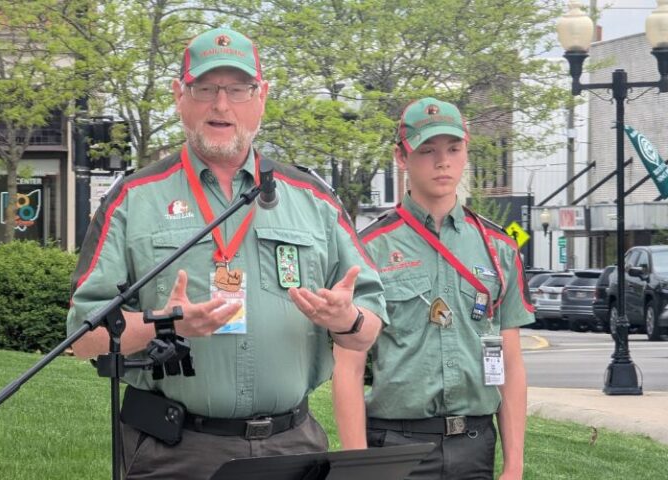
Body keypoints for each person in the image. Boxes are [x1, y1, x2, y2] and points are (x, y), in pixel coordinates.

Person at [67, 26, 386, 480]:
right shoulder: (132, 200)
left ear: (262, 97)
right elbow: (82, 337)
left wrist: (346, 319)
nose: (221, 104)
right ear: (179, 96)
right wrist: (165, 323)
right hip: (172, 454)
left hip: (291, 448)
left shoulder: (314, 199)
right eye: (205, 88)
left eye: (238, 89)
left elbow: (369, 326)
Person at [332, 97, 535, 480]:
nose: (443, 162)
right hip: (397, 445)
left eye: (453, 149)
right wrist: (358, 469)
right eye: (427, 150)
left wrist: (514, 466)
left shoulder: (498, 249)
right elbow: (348, 367)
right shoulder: (369, 249)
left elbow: (510, 364)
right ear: (401, 156)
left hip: (475, 444)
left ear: (466, 151)